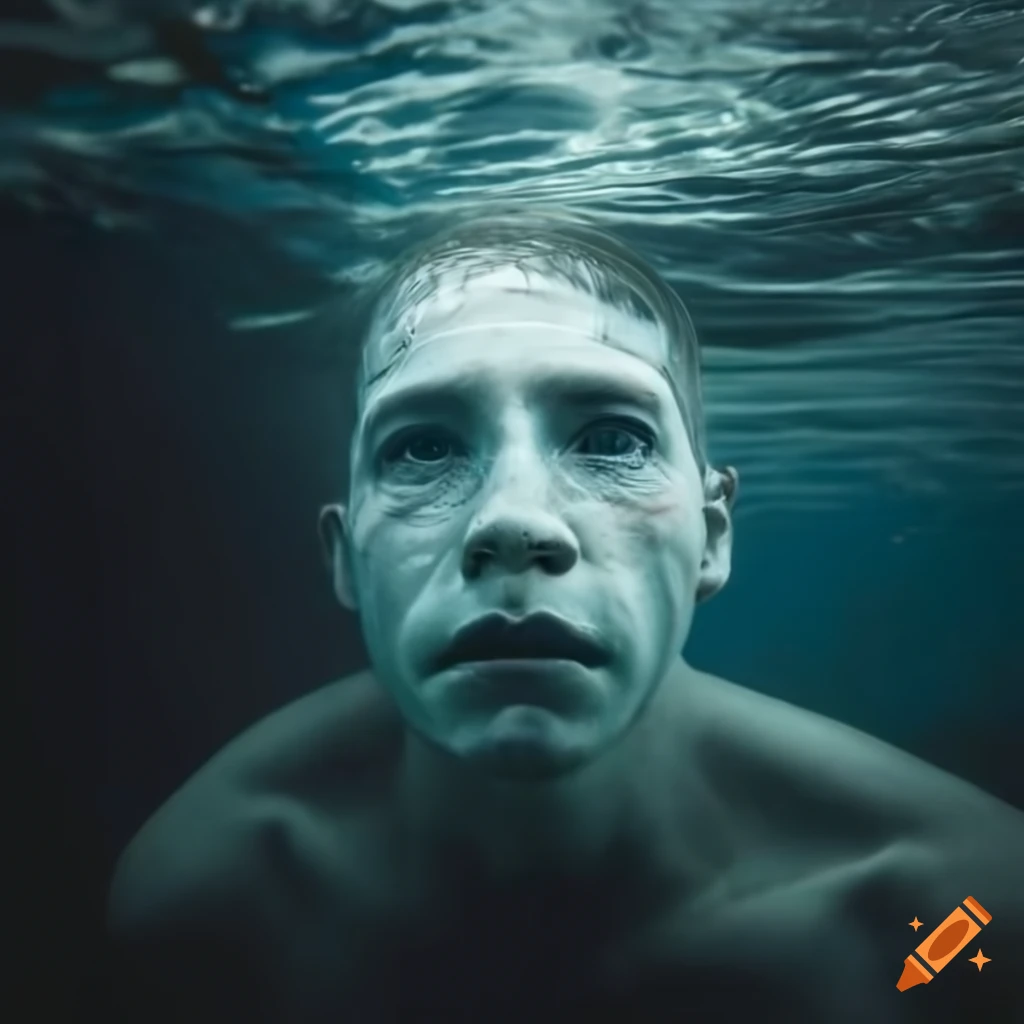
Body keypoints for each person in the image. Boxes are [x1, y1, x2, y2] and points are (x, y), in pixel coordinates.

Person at [107, 207, 1024, 1024]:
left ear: (711, 540)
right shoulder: (216, 896)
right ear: (346, 556)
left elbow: (947, 964)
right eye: (422, 446)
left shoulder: (947, 915)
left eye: (613, 440)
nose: (514, 521)